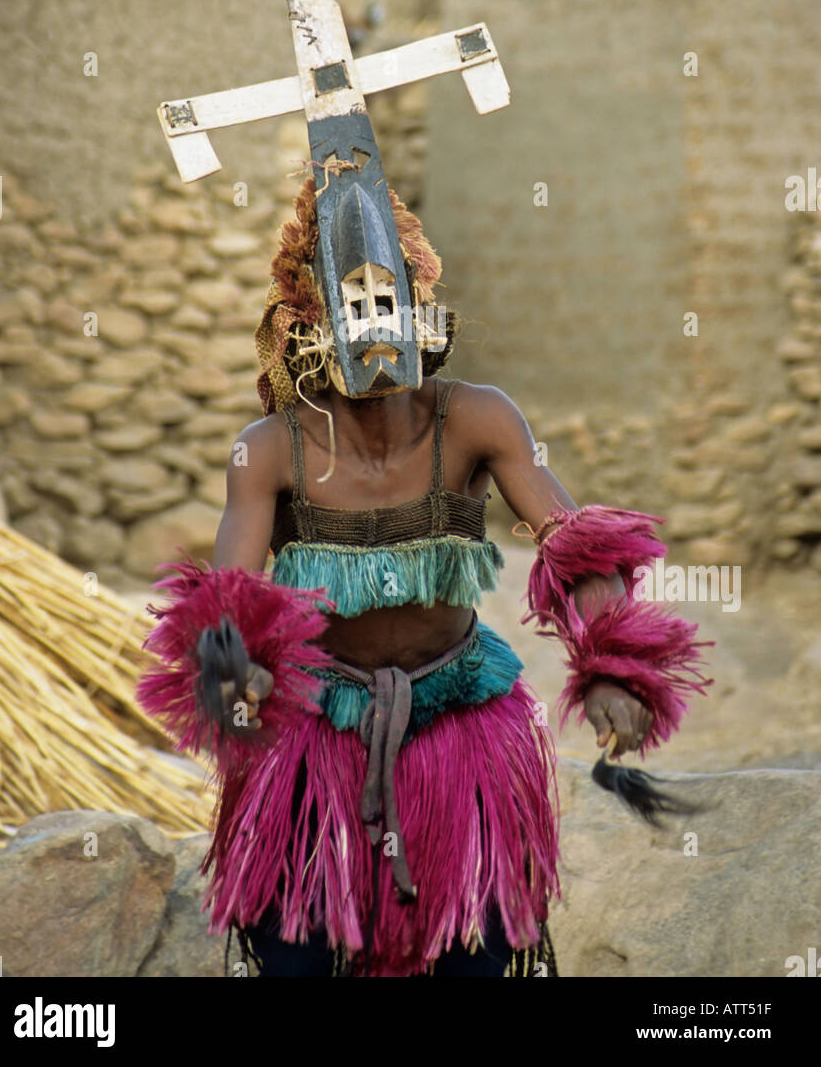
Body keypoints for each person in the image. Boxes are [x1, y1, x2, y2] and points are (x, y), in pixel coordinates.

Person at [138, 177, 708, 978]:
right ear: (306, 325)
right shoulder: (270, 448)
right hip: (316, 732)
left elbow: (574, 546)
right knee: (290, 954)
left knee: (474, 950)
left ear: (421, 309)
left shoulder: (477, 416)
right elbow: (230, 601)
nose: (372, 319)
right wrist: (237, 678)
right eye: (350, 301)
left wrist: (612, 662)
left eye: (386, 297)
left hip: (461, 719)